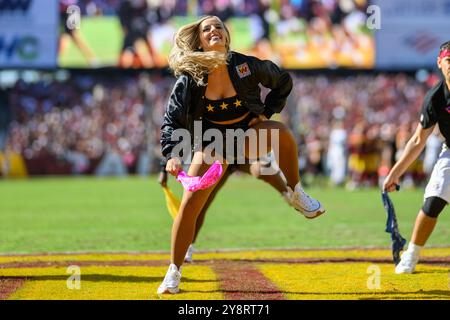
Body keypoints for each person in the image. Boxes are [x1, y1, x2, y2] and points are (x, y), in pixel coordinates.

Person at [157, 15, 325, 294]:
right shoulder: (190, 79)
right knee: (190, 208)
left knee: (279, 132)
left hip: (246, 139)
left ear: (226, 36)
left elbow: (283, 81)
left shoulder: (246, 65)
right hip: (211, 146)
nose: (214, 30)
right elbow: (171, 120)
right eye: (206, 28)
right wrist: (172, 155)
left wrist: (265, 114)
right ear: (199, 40)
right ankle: (173, 272)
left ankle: (296, 192)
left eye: (218, 26)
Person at [383, 41, 450, 274]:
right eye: (449, 60)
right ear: (440, 62)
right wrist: (394, 173)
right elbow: (417, 140)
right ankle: (411, 255)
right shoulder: (436, 98)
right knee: (432, 201)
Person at [158, 152, 291, 263]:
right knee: (199, 204)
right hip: (217, 155)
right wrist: (164, 166)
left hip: (238, 150)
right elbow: (175, 125)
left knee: (262, 168)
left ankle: (290, 194)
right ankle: (188, 246)